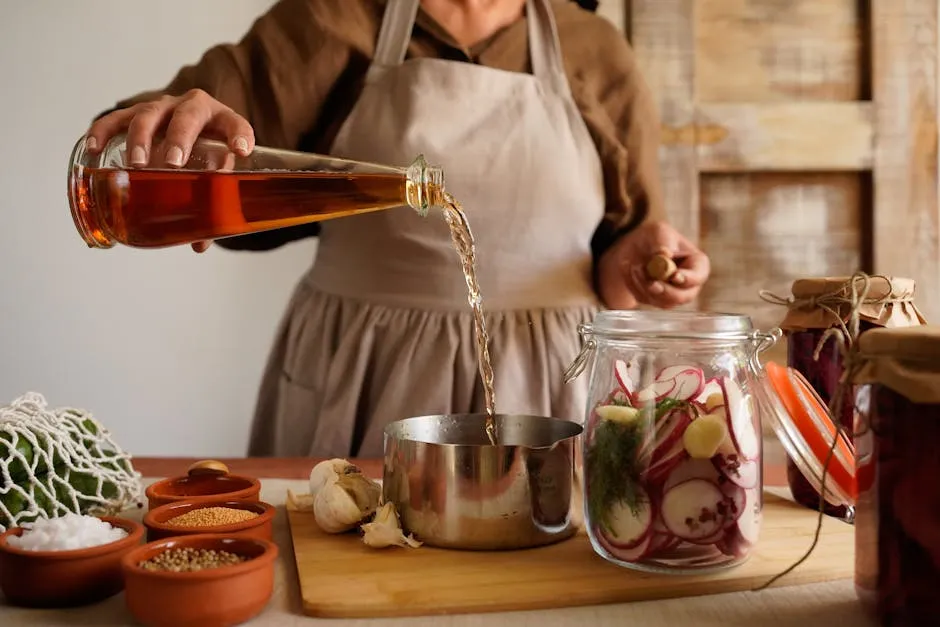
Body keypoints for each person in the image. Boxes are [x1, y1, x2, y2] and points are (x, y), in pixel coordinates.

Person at [86, 0, 711, 458]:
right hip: (363, 372)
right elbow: (171, 137)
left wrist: (640, 265)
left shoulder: (595, 49)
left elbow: (617, 260)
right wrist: (163, 125)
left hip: (551, 388)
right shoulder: (329, 19)